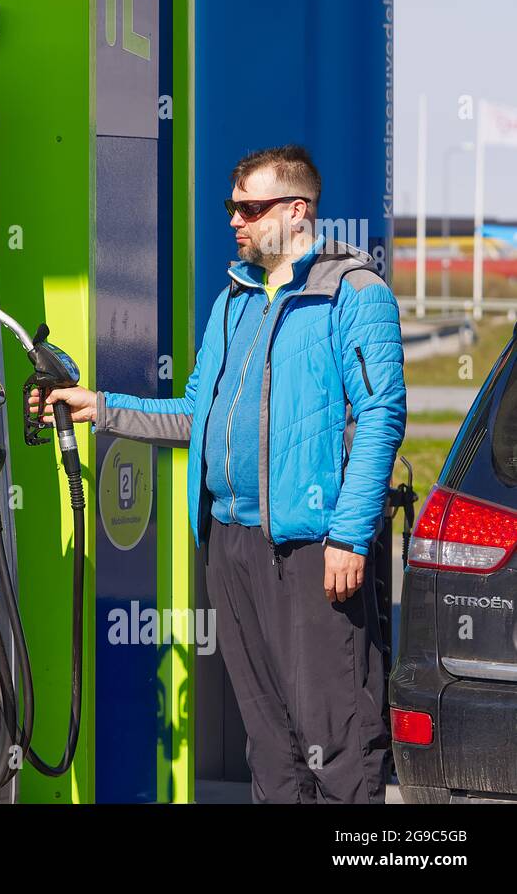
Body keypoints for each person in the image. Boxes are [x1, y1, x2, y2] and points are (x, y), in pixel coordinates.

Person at [33, 145, 405, 803]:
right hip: (230, 545)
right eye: (232, 206)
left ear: (298, 211)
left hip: (312, 547)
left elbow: (381, 416)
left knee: (338, 739)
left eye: (250, 207)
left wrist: (349, 536)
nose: (235, 219)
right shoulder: (234, 299)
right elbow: (197, 415)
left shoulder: (353, 294)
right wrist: (102, 408)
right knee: (269, 741)